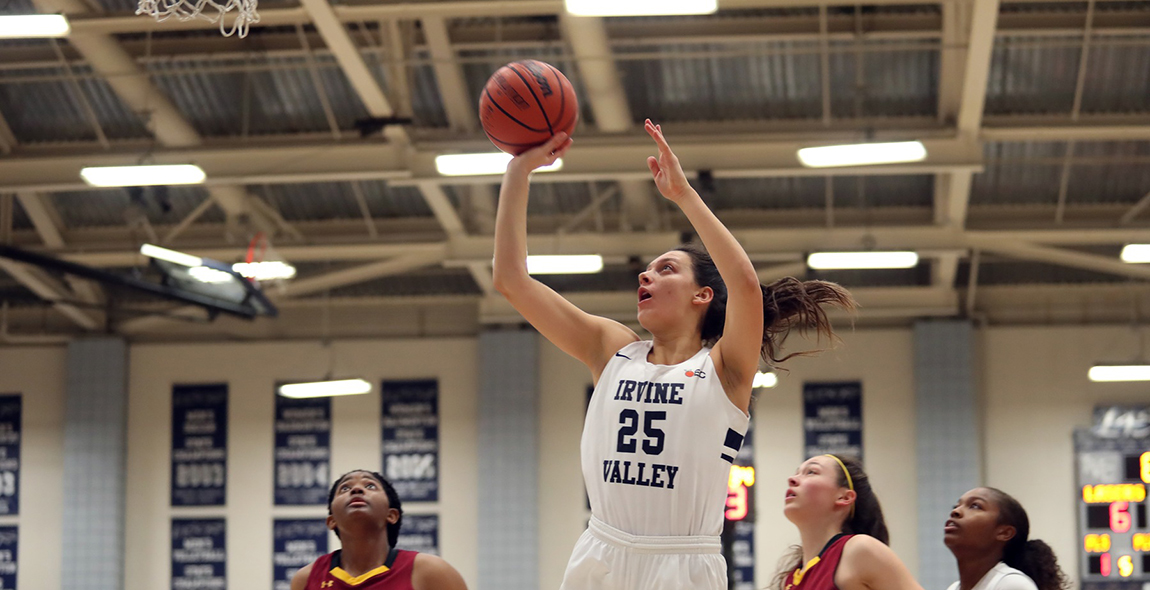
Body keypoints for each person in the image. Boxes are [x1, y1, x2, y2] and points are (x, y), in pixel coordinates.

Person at [493, 120, 856, 590]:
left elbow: (745, 283)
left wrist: (684, 195)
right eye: (644, 271)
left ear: (703, 295)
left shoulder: (725, 368)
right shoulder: (612, 349)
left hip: (683, 564)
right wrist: (518, 171)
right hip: (601, 551)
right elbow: (510, 280)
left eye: (665, 270)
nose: (645, 277)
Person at [291, 470, 468, 590]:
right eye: (345, 488)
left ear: (391, 515)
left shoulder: (431, 571)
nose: (356, 489)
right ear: (332, 521)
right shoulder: (306, 579)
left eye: (370, 486)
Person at [774, 454, 923, 590]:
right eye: (797, 472)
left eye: (811, 472)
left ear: (844, 497)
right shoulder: (789, 580)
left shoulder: (860, 550)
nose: (791, 479)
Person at [944, 487, 1069, 590]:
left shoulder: (1012, 584)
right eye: (956, 506)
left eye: (975, 506)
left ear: (1004, 532)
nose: (956, 511)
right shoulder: (953, 588)